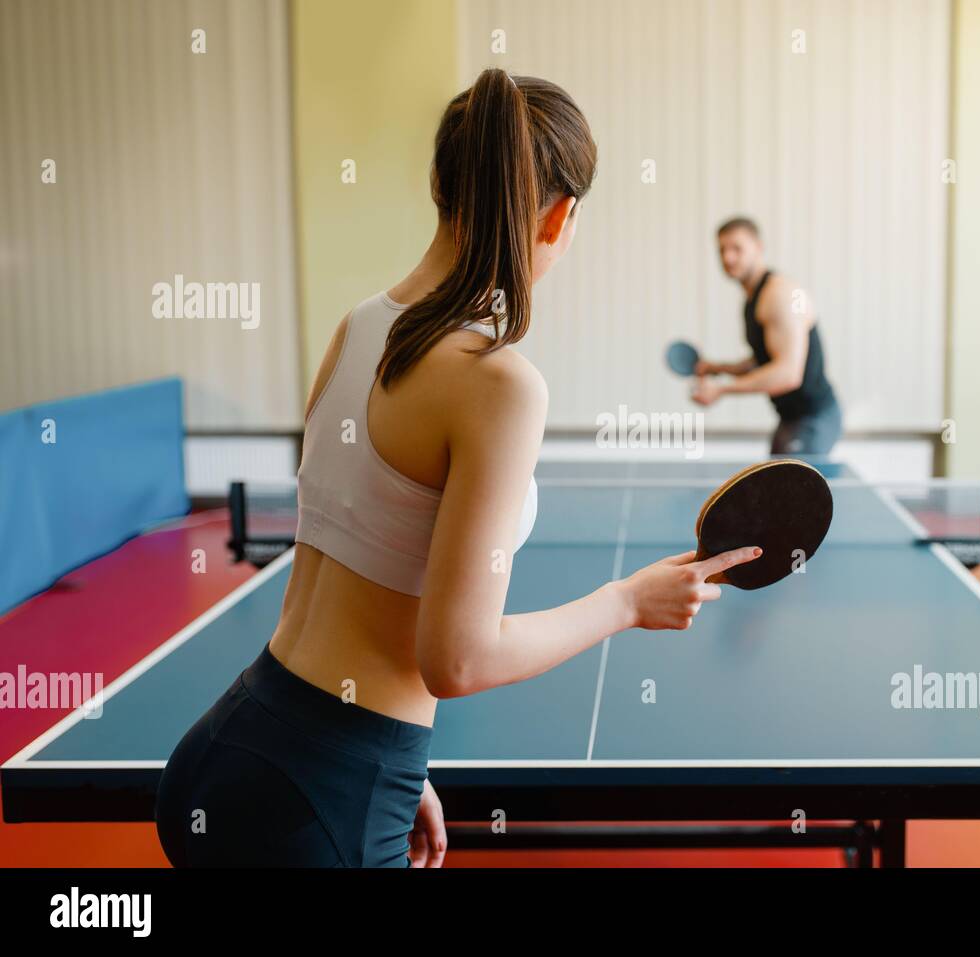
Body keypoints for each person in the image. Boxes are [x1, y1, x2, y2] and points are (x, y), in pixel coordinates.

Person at [154, 69, 758, 868]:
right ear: (561, 216)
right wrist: (625, 601)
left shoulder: (357, 327)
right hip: (325, 800)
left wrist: (400, 767)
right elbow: (457, 657)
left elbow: (351, 555)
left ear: (438, 182)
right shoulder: (500, 385)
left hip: (232, 746)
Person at [692, 218, 842, 456]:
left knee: (791, 490)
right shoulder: (754, 298)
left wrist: (721, 390)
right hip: (790, 418)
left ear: (759, 247)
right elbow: (765, 359)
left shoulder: (780, 295)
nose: (728, 258)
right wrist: (717, 368)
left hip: (814, 418)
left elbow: (788, 374)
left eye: (736, 248)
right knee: (773, 485)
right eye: (722, 250)